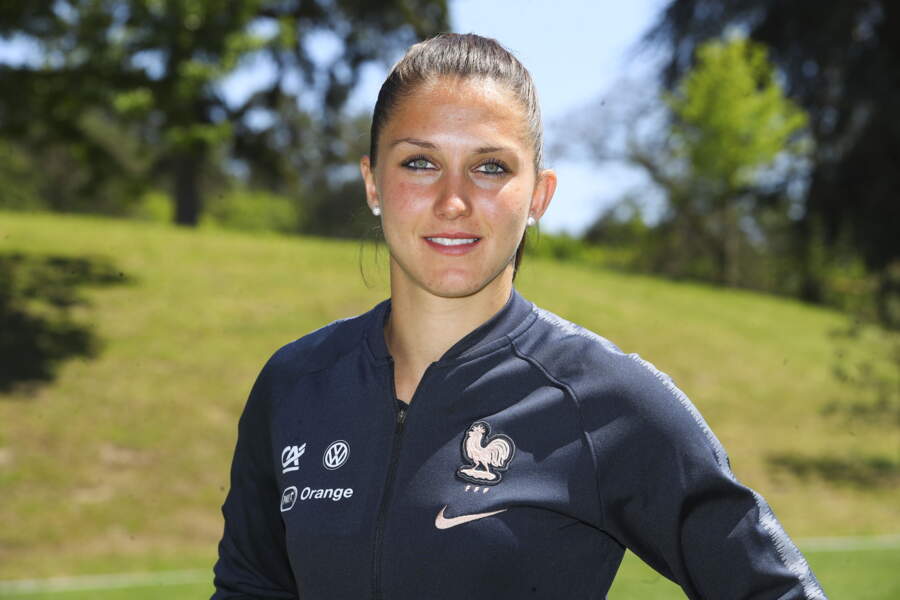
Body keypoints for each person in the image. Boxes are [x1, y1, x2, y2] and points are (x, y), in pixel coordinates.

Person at [211, 33, 827, 599]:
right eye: (419, 162)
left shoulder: (606, 400)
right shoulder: (296, 384)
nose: (453, 201)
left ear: (538, 196)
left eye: (490, 167)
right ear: (372, 183)